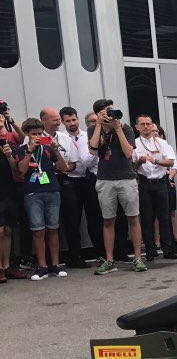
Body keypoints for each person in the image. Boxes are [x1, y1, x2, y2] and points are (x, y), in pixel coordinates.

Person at [90, 99, 145, 274]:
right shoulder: (93, 129)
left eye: (112, 111)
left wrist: (117, 128)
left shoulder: (126, 128)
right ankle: (109, 260)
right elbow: (92, 148)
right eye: (107, 111)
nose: (111, 114)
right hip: (105, 179)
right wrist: (99, 125)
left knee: (133, 218)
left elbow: (129, 153)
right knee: (108, 220)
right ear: (99, 113)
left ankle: (137, 257)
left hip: (126, 178)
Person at [13, 118, 71, 279]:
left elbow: (63, 168)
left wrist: (56, 149)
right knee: (38, 230)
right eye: (34, 134)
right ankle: (42, 266)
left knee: (53, 228)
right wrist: (30, 150)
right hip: (32, 192)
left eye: (40, 133)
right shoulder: (20, 150)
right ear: (27, 134)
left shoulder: (48, 149)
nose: (37, 137)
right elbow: (21, 171)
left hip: (52, 190)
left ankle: (55, 265)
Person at [56, 106, 102, 268]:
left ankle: (100, 254)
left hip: (87, 179)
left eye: (74, 119)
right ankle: (75, 257)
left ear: (78, 119)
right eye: (68, 121)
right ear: (62, 122)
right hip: (69, 182)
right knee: (72, 221)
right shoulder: (60, 139)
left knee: (94, 218)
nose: (72, 123)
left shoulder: (87, 135)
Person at [133, 114, 177, 262]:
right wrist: (140, 162)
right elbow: (132, 167)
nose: (146, 127)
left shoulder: (161, 143)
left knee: (164, 217)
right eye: (143, 124)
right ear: (137, 127)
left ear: (153, 126)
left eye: (148, 124)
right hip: (144, 183)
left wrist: (156, 161)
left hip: (160, 182)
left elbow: (171, 161)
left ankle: (168, 249)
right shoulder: (134, 144)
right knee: (147, 219)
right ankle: (150, 251)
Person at [0, 127, 27, 282]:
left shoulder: (7, 143)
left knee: (8, 230)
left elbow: (16, 171)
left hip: (8, 191)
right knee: (1, 230)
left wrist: (9, 156)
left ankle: (7, 266)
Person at [154, 124, 177, 254]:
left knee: (171, 212)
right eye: (154, 132)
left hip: (168, 180)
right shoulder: (146, 146)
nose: (156, 134)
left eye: (158, 133)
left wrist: (170, 177)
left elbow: (175, 165)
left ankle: (174, 238)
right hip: (154, 181)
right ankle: (157, 239)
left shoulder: (166, 146)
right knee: (156, 214)